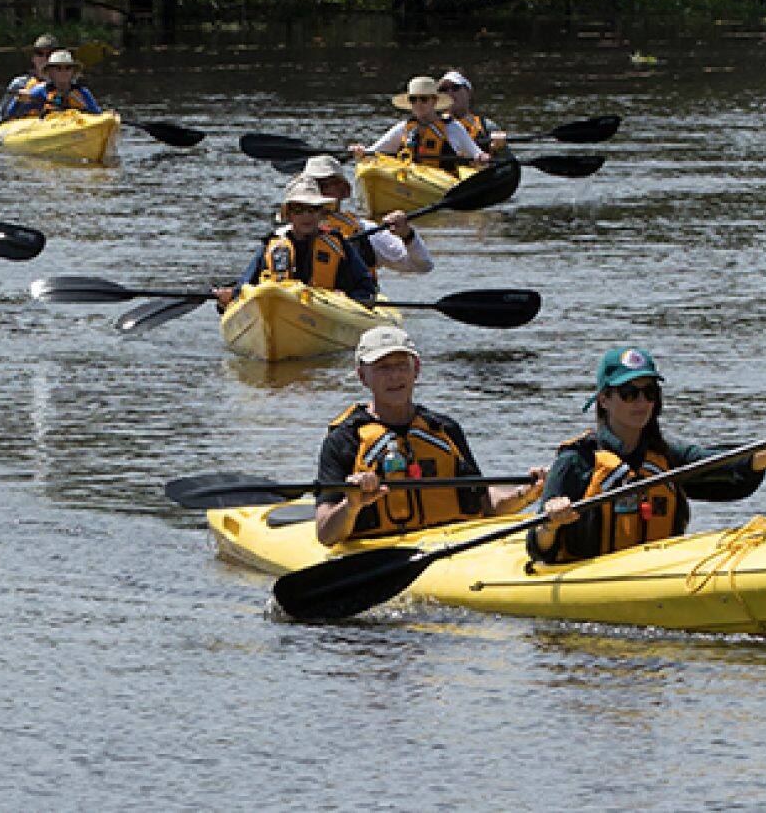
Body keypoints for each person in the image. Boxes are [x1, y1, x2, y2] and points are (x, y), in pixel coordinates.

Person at [528, 347, 766, 565]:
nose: (641, 402)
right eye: (629, 393)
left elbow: (729, 467)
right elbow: (538, 548)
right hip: (591, 574)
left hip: (657, 571)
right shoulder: (575, 462)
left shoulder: (666, 456)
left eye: (649, 392)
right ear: (604, 399)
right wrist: (551, 523)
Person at [312, 326, 545, 546]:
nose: (395, 376)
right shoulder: (344, 440)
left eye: (402, 366)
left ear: (416, 370)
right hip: (382, 551)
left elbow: (484, 504)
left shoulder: (444, 429)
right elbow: (325, 533)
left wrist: (525, 494)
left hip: (454, 542)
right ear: (363, 376)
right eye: (383, 367)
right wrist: (351, 506)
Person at [213, 173, 384, 307]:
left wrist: (347, 298)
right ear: (289, 215)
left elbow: (366, 287)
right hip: (280, 307)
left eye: (312, 209)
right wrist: (228, 298)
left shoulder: (338, 244)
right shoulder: (271, 245)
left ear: (321, 213)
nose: (306, 216)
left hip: (325, 309)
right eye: (298, 210)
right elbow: (244, 286)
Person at [297, 155, 433, 275]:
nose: (318, 192)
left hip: (352, 301)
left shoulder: (367, 231)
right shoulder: (288, 233)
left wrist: (407, 235)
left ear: (343, 191)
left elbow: (423, 265)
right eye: (312, 185)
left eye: (325, 185)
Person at [350, 76, 490, 173]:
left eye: (423, 99)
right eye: (413, 99)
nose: (418, 104)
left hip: (442, 182)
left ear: (434, 101)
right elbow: (373, 151)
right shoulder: (403, 128)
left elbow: (476, 153)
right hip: (412, 180)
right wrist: (361, 151)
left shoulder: (452, 127)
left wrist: (481, 158)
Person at [0, 34, 59, 139]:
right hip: (25, 128)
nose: (45, 58)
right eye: (40, 53)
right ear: (33, 58)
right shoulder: (20, 83)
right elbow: (2, 111)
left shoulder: (67, 85)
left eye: (50, 54)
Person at [7, 50, 101, 119]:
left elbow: (98, 114)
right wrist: (18, 100)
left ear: (73, 72)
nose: (63, 72)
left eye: (68, 68)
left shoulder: (83, 92)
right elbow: (12, 114)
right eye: (58, 68)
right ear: (50, 72)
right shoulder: (40, 91)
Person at [435, 70, 506, 156]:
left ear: (468, 92)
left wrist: (499, 149)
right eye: (444, 90)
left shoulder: (487, 127)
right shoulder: (433, 125)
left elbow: (511, 165)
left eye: (455, 88)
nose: (449, 93)